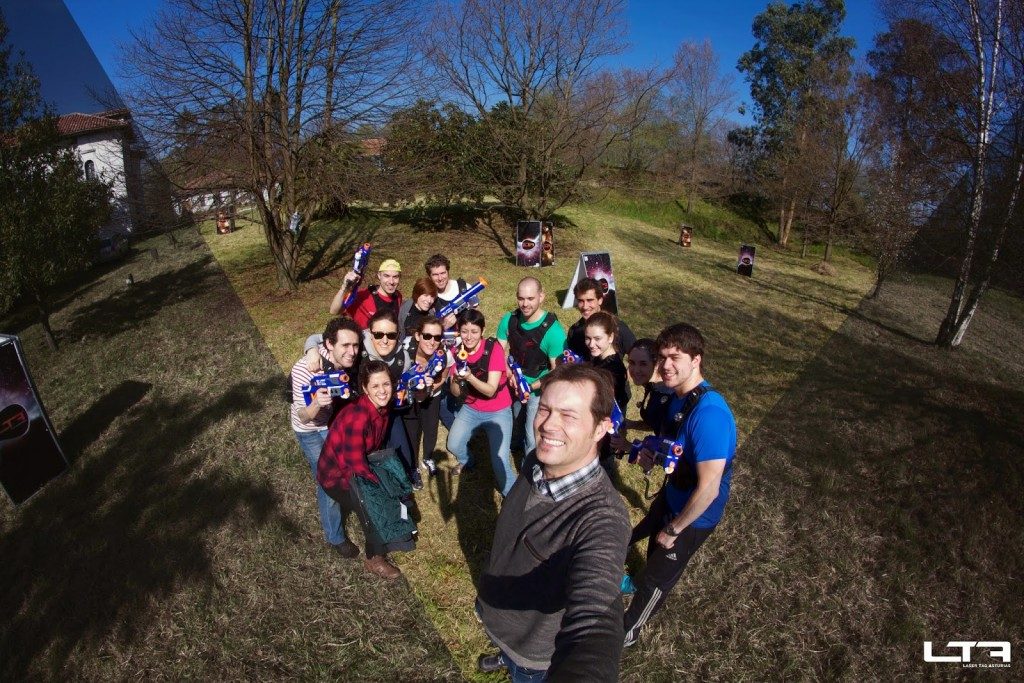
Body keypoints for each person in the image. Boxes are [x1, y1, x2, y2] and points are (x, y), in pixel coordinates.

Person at [475, 363, 631, 682]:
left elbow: (595, 615)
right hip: (495, 612)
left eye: (569, 415)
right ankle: (503, 655)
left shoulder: (603, 518)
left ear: (601, 429)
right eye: (544, 409)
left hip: (532, 656)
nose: (548, 426)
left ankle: (514, 664)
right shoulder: (538, 460)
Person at [622, 323, 737, 647]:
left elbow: (709, 488)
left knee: (657, 579)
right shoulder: (678, 398)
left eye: (676, 357)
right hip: (673, 496)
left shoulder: (711, 414)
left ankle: (628, 631)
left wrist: (675, 529)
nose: (666, 365)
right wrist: (651, 453)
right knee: (652, 551)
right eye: (663, 357)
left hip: (693, 517)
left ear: (696, 360)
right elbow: (675, 448)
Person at [317, 360, 408, 579]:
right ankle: (373, 558)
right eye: (375, 386)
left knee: (388, 495)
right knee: (373, 507)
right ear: (365, 389)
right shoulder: (358, 416)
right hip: (336, 477)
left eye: (386, 384)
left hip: (358, 464)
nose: (382, 391)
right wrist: (379, 489)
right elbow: (355, 464)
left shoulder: (382, 407)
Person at [290, 317, 362, 559]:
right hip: (309, 429)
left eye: (355, 345)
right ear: (330, 345)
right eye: (345, 346)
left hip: (331, 423)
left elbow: (317, 336)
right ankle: (335, 536)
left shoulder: (344, 356)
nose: (352, 352)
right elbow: (303, 415)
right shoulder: (304, 369)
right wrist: (315, 405)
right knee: (327, 480)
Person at [446, 308, 516, 497]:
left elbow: (490, 390)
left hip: (498, 410)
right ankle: (467, 460)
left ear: (482, 331)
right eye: (464, 331)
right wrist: (456, 380)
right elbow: (455, 393)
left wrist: (468, 377)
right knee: (452, 444)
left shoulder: (492, 349)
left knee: (499, 460)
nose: (469, 337)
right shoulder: (456, 351)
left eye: (474, 331)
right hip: (470, 407)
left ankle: (512, 495)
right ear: (459, 331)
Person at [496, 277, 566, 458]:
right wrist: (509, 371)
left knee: (531, 433)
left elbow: (557, 371)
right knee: (515, 419)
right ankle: (513, 444)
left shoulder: (553, 331)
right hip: (513, 382)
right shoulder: (509, 320)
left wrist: (530, 386)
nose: (524, 304)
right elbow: (498, 350)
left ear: (541, 297)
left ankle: (530, 471)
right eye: (521, 298)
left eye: (530, 299)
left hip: (537, 389)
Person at [360, 309, 420, 487]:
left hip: (388, 412)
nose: (385, 340)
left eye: (391, 335)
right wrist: (311, 351)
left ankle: (405, 481)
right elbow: (321, 338)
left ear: (398, 335)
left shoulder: (404, 359)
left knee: (402, 451)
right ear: (370, 333)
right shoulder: (357, 345)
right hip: (359, 412)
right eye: (378, 334)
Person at [400, 317, 453, 483]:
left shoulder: (444, 353)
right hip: (409, 398)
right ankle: (413, 465)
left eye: (437, 337)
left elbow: (443, 377)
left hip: (432, 396)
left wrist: (428, 390)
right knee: (412, 432)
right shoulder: (405, 351)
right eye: (427, 336)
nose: (432, 341)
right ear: (418, 335)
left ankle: (428, 457)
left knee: (431, 429)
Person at [584, 311, 631, 471]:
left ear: (610, 337)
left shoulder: (613, 369)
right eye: (588, 338)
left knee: (602, 470)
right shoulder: (599, 358)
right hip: (598, 427)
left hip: (605, 433)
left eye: (597, 339)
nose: (591, 344)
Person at [566, 278, 635, 359]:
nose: (585, 306)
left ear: (600, 300)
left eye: (590, 300)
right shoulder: (574, 331)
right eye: (581, 301)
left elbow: (638, 357)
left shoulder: (618, 327)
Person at [331, 258, 403, 329]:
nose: (391, 281)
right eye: (386, 276)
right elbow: (334, 311)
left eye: (395, 277)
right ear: (379, 275)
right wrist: (344, 287)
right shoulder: (362, 295)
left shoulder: (398, 296)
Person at [425, 254, 472, 330]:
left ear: (448, 272)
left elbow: (477, 320)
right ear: (429, 276)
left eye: (443, 273)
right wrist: (444, 326)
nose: (440, 278)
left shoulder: (465, 288)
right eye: (435, 275)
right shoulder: (428, 297)